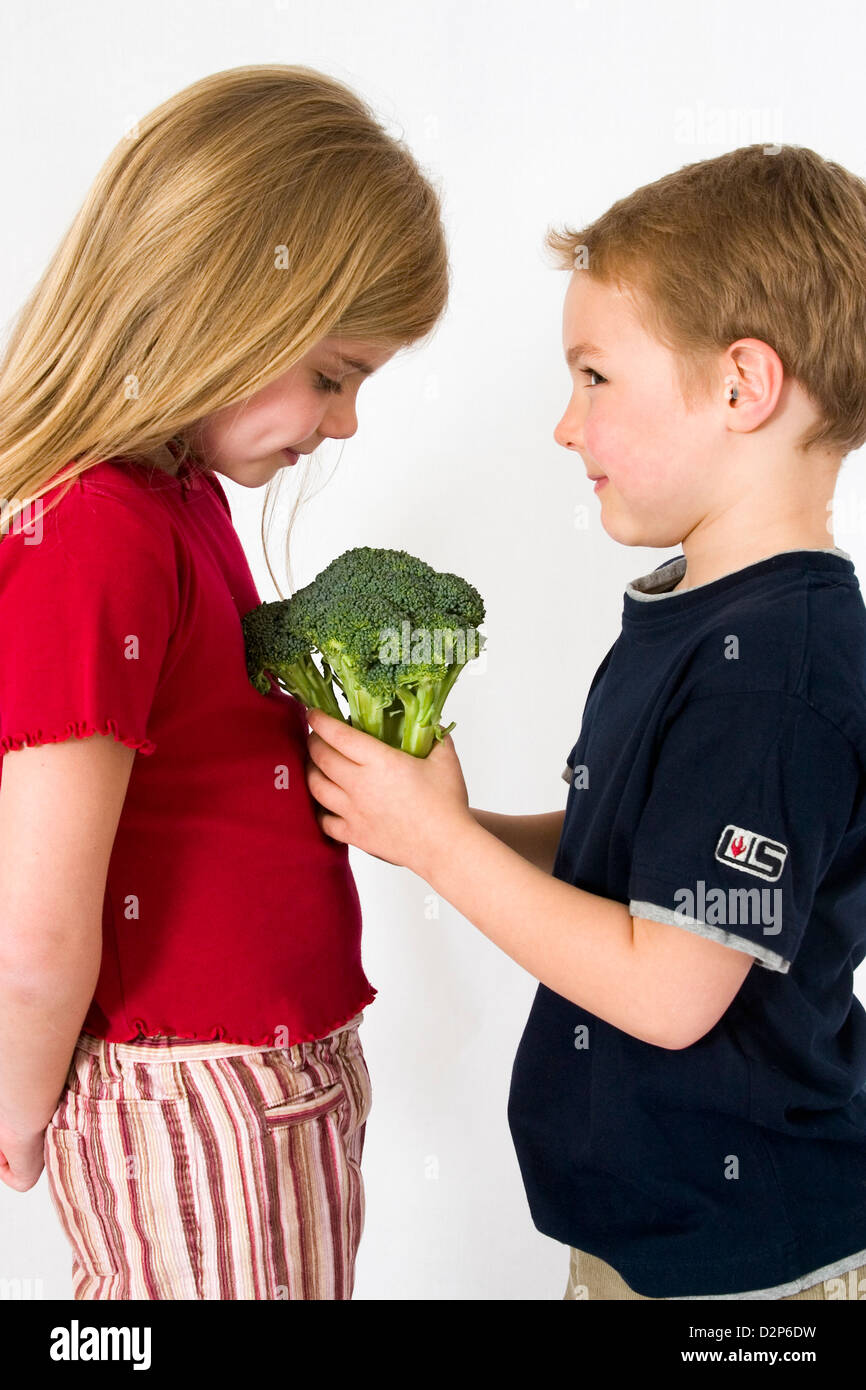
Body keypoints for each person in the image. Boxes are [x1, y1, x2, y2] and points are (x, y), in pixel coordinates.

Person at [305, 143, 866, 1300]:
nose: (565, 427)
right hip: (655, 1246)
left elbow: (668, 989)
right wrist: (456, 820)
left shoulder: (772, 674)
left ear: (738, 386)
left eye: (594, 378)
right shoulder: (704, 616)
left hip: (748, 1272)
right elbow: (643, 864)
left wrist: (437, 848)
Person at [0, 63, 448, 1300]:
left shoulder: (177, 499)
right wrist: (21, 1109)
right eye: (331, 372)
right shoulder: (95, 530)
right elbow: (36, 928)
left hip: (256, 1079)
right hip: (193, 1091)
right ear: (215, 305)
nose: (346, 421)